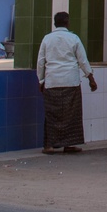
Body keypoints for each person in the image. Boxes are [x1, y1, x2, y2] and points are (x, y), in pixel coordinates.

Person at [37, 11, 96, 154]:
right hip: (71, 81)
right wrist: (91, 79)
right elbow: (82, 60)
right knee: (71, 116)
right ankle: (68, 145)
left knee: (52, 115)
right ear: (67, 22)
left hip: (52, 82)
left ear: (54, 23)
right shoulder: (73, 38)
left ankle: (49, 146)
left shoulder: (47, 39)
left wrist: (41, 80)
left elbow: (41, 62)